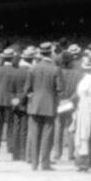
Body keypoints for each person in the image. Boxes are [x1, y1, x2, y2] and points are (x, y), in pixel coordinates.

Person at [25, 41, 63, 171]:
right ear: (51, 53)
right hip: (50, 105)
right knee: (47, 135)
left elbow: (27, 89)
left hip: (35, 104)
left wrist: (32, 97)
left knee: (34, 134)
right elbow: (59, 89)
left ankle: (34, 163)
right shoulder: (56, 68)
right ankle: (44, 163)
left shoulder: (33, 68)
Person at [54, 45, 83, 164]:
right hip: (72, 102)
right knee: (71, 128)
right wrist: (71, 100)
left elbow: (55, 88)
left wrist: (61, 99)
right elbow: (78, 90)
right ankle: (70, 153)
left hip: (59, 102)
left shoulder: (57, 71)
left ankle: (57, 153)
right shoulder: (78, 74)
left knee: (58, 127)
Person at [0, 47, 18, 152]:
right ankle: (10, 146)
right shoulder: (15, 71)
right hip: (11, 101)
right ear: (12, 58)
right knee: (11, 125)